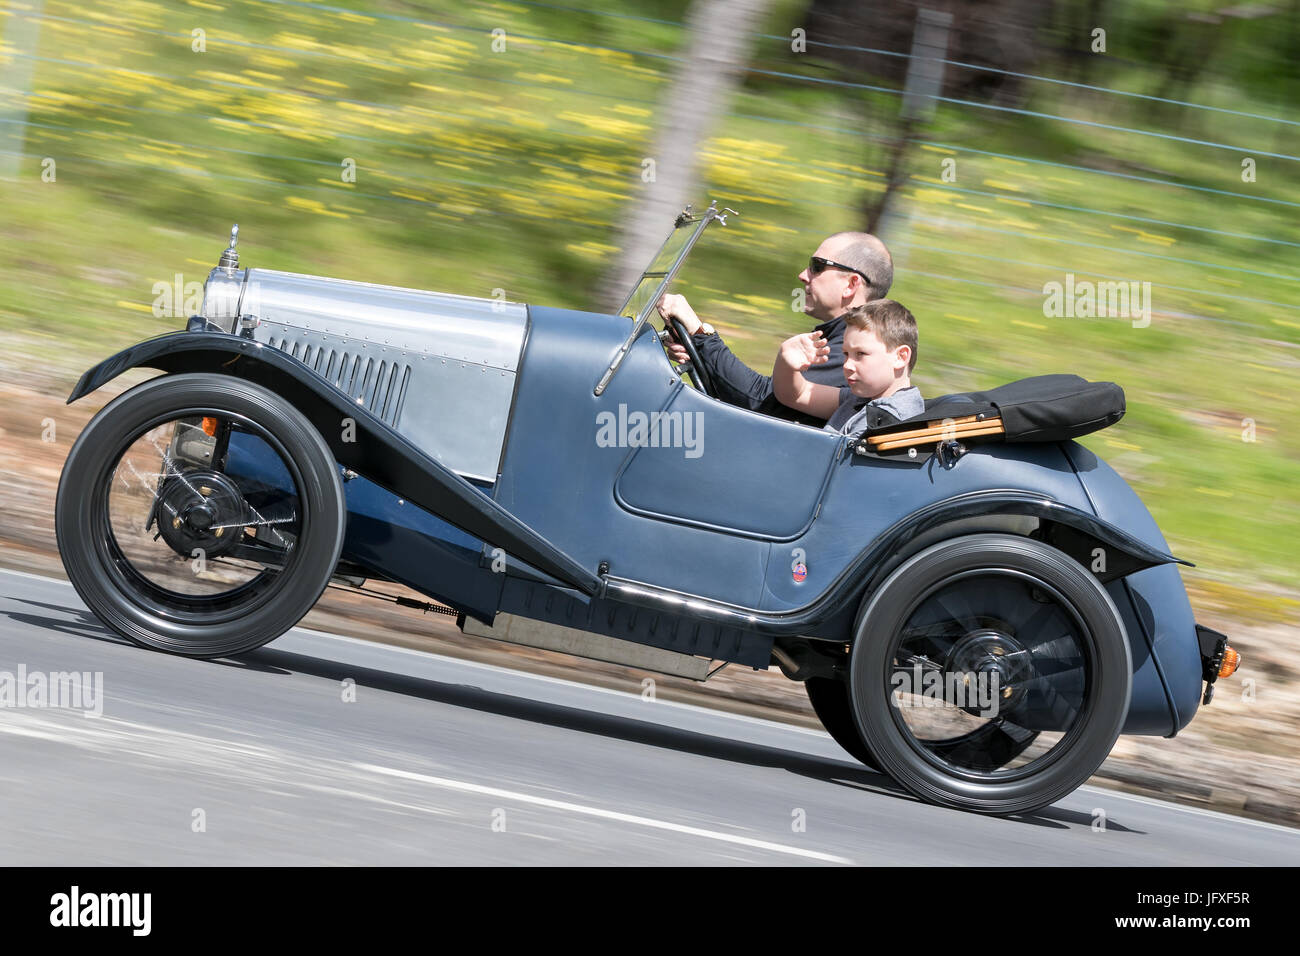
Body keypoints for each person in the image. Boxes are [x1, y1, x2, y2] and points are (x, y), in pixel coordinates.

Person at [656, 231, 893, 425]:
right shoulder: (838, 338)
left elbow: (761, 401)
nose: (803, 275)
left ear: (851, 285)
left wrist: (701, 334)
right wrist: (700, 350)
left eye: (817, 267)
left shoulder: (852, 350)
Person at [772, 299, 924, 436]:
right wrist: (786, 361)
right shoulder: (860, 399)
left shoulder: (884, 420)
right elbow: (797, 394)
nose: (847, 365)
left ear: (901, 357)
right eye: (845, 353)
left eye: (861, 354)